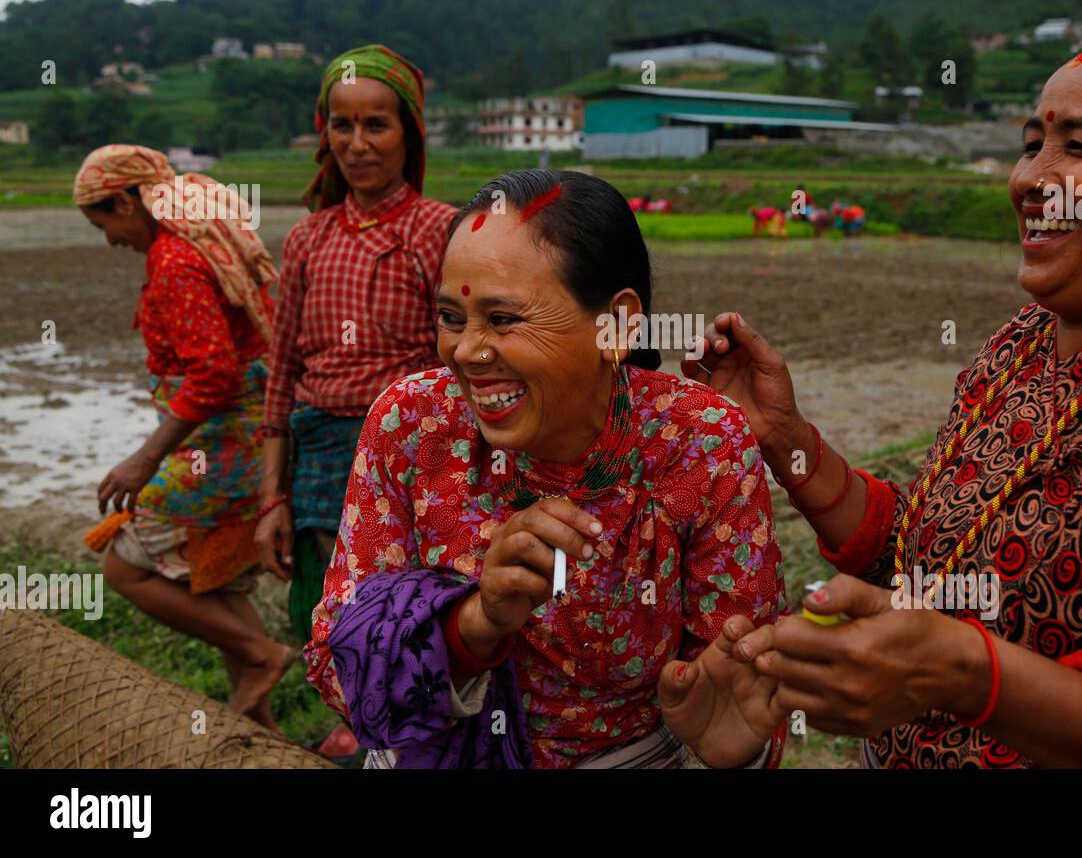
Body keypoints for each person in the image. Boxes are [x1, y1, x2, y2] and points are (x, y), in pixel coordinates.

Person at [687, 33, 1082, 767]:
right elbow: (924, 558)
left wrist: (969, 673)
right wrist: (786, 439)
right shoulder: (1019, 345)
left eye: (1078, 147)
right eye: (1032, 143)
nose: (1032, 178)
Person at [304, 169, 788, 768]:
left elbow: (740, 687)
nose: (466, 351)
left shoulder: (697, 442)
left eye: (502, 320)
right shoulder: (414, 423)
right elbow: (336, 664)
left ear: (616, 324)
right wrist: (474, 623)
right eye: (452, 318)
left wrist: (731, 749)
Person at [254, 44, 459, 757]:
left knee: (405, 600)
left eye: (376, 124)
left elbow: (460, 358)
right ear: (324, 131)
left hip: (411, 450)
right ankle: (358, 722)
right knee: (326, 600)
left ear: (410, 132)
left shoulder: (440, 230)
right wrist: (270, 497)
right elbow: (280, 372)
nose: (357, 143)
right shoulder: (308, 238)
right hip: (317, 451)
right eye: (342, 126)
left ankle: (401, 730)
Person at [76, 144, 291, 727]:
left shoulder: (174, 261)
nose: (109, 240)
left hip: (224, 449)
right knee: (214, 579)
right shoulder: (191, 241)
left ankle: (263, 655)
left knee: (125, 566)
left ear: (125, 200)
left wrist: (143, 461)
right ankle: (262, 735)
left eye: (105, 224)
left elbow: (214, 372)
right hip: (245, 438)